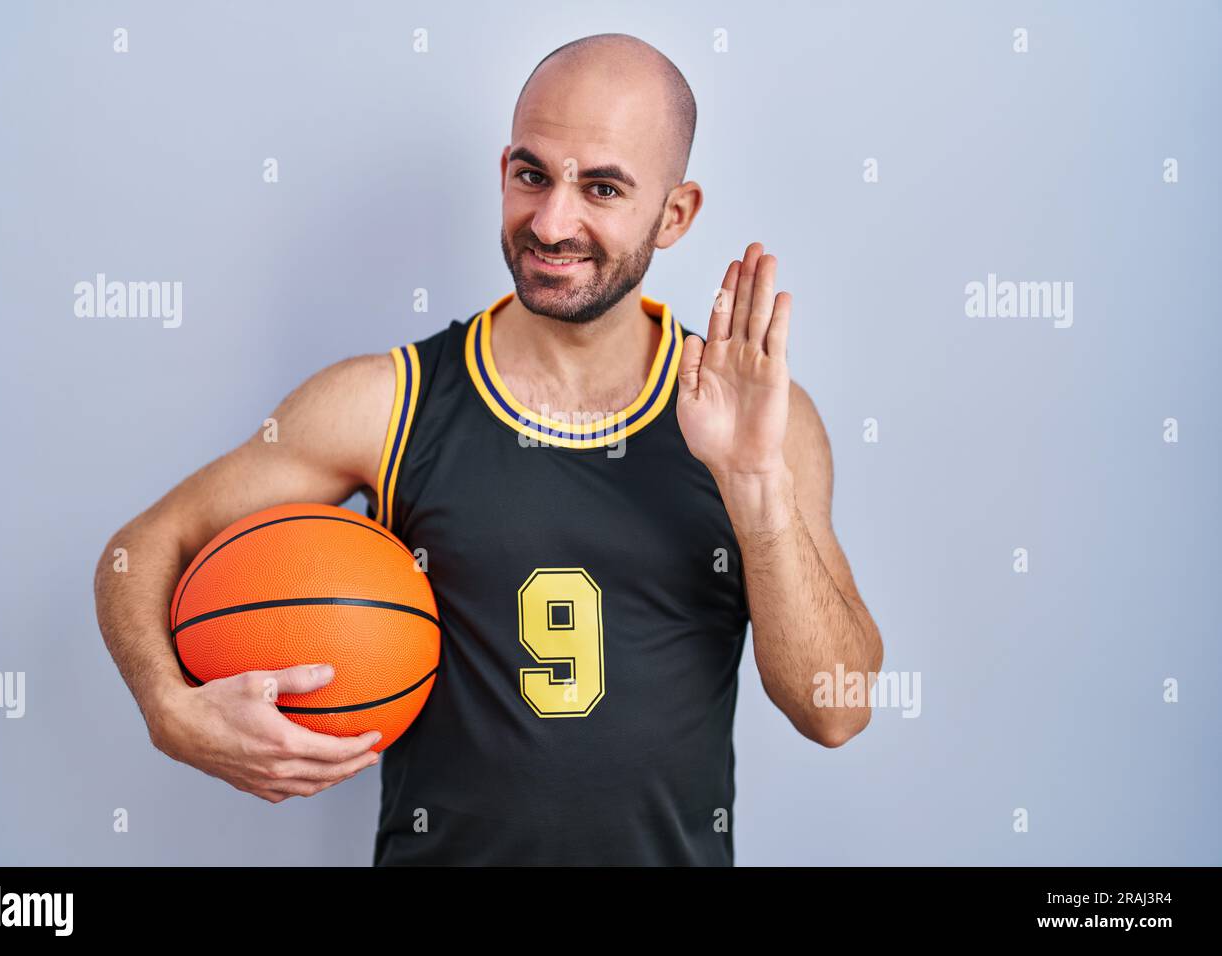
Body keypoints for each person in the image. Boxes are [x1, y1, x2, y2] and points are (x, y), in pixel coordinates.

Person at [93, 32, 883, 866]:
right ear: (505, 166)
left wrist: (753, 482)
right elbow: (141, 548)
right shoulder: (389, 402)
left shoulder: (764, 421)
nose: (551, 221)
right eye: (533, 174)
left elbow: (836, 710)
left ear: (675, 214)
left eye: (603, 187)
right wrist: (168, 709)